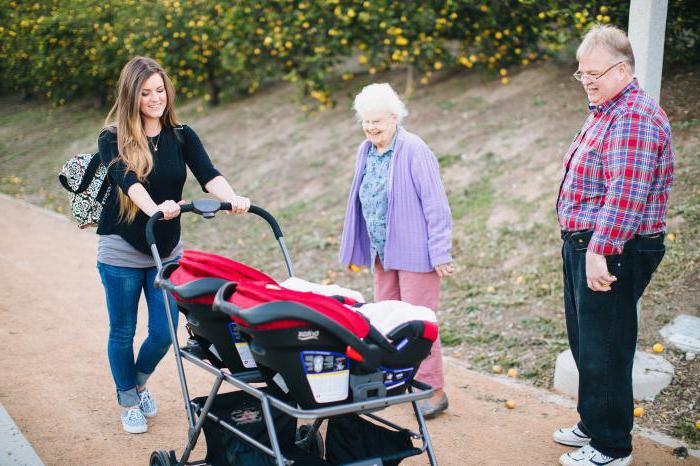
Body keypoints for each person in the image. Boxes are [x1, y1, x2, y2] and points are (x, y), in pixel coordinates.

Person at [96, 56, 250, 434]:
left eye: (159, 90)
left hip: (165, 249)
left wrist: (233, 199)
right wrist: (155, 209)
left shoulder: (182, 135)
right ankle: (128, 398)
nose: (154, 98)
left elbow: (208, 174)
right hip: (122, 249)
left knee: (165, 331)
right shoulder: (112, 137)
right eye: (145, 93)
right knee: (123, 330)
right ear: (131, 96)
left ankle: (139, 382)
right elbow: (128, 181)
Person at [554, 25, 674, 466]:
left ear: (622, 69)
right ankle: (594, 422)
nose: (586, 80)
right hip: (590, 241)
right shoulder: (606, 108)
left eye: (594, 72)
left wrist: (597, 249)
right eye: (581, 73)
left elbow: (627, 192)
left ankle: (610, 447)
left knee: (605, 345)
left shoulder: (633, 116)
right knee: (587, 340)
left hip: (613, 246)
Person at [339, 83, 454, 418]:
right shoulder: (367, 150)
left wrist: (441, 252)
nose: (372, 127)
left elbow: (436, 204)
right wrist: (358, 246)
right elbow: (360, 200)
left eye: (378, 121)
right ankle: (400, 381)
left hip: (416, 252)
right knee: (387, 320)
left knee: (418, 321)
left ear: (394, 117)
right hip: (382, 251)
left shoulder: (414, 149)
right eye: (366, 121)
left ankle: (433, 389)